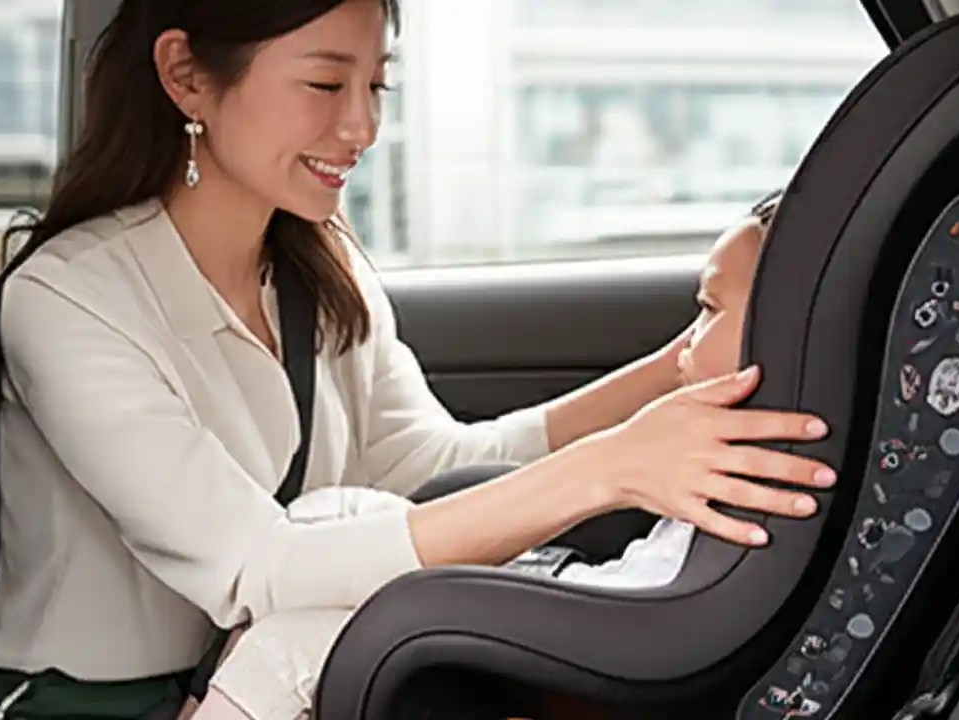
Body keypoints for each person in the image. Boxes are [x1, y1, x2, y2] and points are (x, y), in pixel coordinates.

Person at [0, 1, 833, 718]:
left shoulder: (318, 261)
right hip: (83, 704)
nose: (364, 125)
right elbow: (255, 569)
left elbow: (434, 469)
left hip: (268, 679)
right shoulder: (70, 297)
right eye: (325, 82)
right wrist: (610, 471)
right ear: (187, 75)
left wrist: (707, 353)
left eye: (376, 84)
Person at [188, 197, 783, 720]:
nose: (686, 341)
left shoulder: (760, 471)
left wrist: (447, 598)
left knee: (295, 634)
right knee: (331, 509)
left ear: (788, 334)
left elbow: (671, 627)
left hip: (597, 653)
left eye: (708, 310)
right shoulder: (737, 446)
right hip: (593, 611)